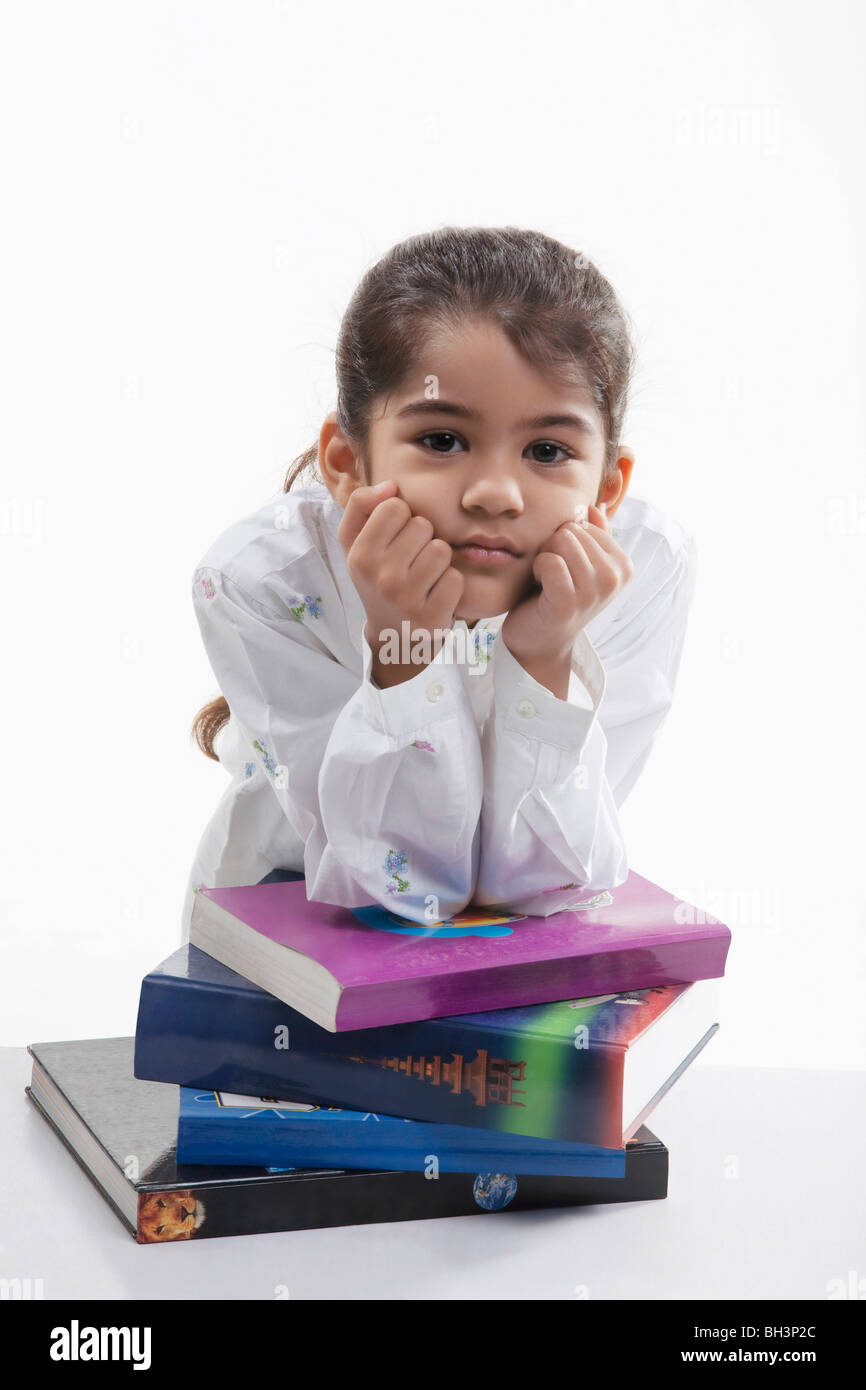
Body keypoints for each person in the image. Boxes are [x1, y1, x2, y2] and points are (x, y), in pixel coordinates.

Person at [182, 226, 696, 942]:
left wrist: (546, 657)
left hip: (502, 975)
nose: (495, 494)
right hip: (293, 935)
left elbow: (545, 883)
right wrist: (407, 650)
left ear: (608, 486)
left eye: (547, 450)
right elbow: (404, 887)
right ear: (346, 459)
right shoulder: (260, 580)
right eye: (442, 440)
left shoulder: (641, 567)